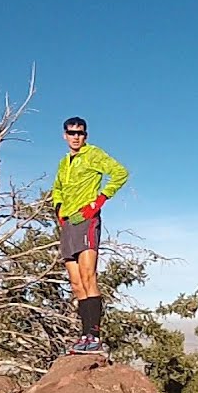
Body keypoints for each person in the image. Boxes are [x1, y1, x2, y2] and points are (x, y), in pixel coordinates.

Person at [52, 116, 129, 354]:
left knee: (88, 276)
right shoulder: (64, 163)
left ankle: (95, 336)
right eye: (71, 132)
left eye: (80, 133)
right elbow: (57, 188)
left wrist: (98, 202)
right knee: (75, 283)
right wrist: (58, 210)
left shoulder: (93, 154)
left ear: (86, 135)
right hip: (68, 223)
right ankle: (84, 336)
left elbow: (120, 173)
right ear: (64, 135)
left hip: (87, 220)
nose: (76, 136)